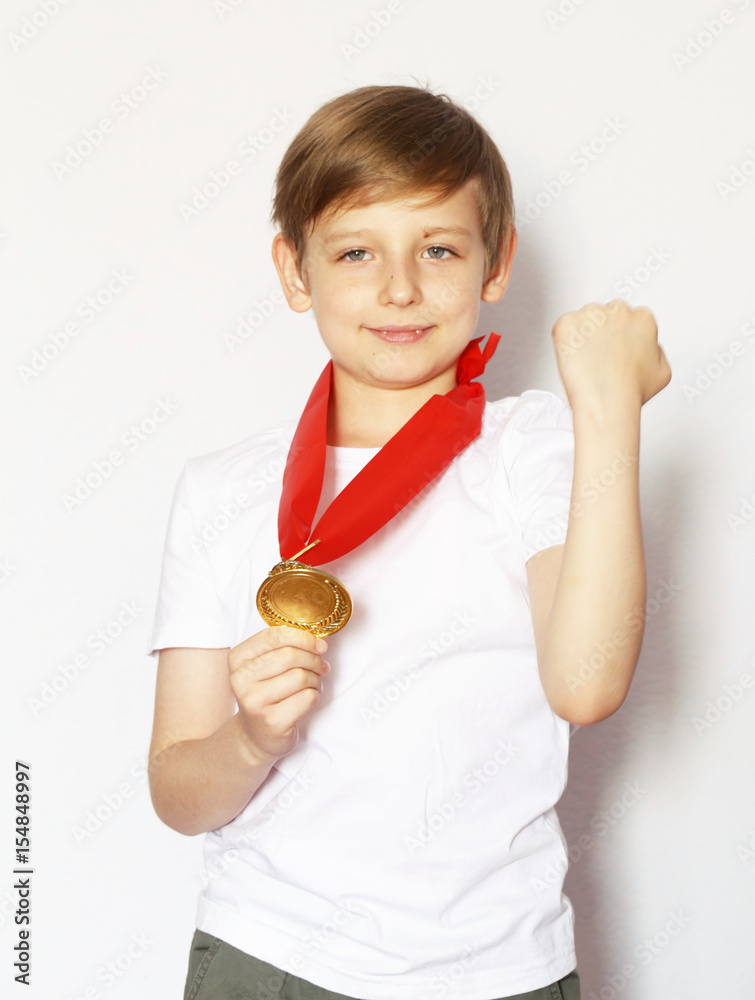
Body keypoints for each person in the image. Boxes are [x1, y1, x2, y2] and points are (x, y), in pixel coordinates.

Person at [145, 84, 671, 1000]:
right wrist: (250, 739)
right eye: (356, 251)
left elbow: (585, 685)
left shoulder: (534, 450)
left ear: (495, 263)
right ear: (294, 270)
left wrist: (609, 408)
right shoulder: (220, 488)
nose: (399, 288)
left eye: (438, 248)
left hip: (499, 966)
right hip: (270, 955)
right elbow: (177, 792)